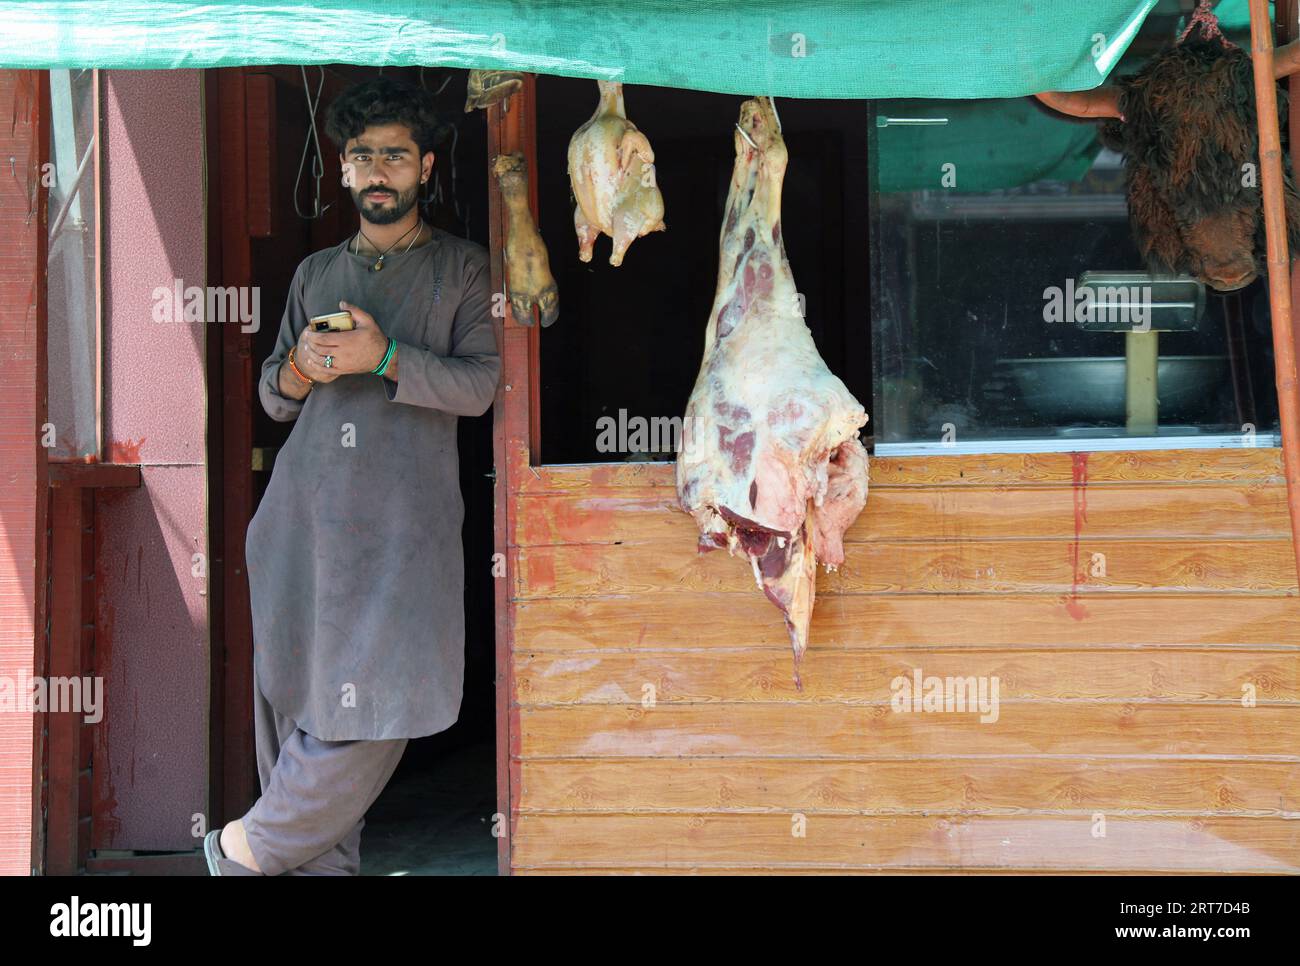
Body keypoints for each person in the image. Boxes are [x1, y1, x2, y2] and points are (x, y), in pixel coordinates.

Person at [203, 75, 501, 875]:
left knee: (381, 703)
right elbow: (274, 398)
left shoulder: (465, 270)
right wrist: (301, 367)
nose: (377, 170)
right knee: (297, 695)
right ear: (342, 170)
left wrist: (389, 357)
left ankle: (244, 849)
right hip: (303, 520)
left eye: (394, 157)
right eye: (362, 156)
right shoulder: (313, 274)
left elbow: (482, 387)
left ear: (426, 168)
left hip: (406, 528)